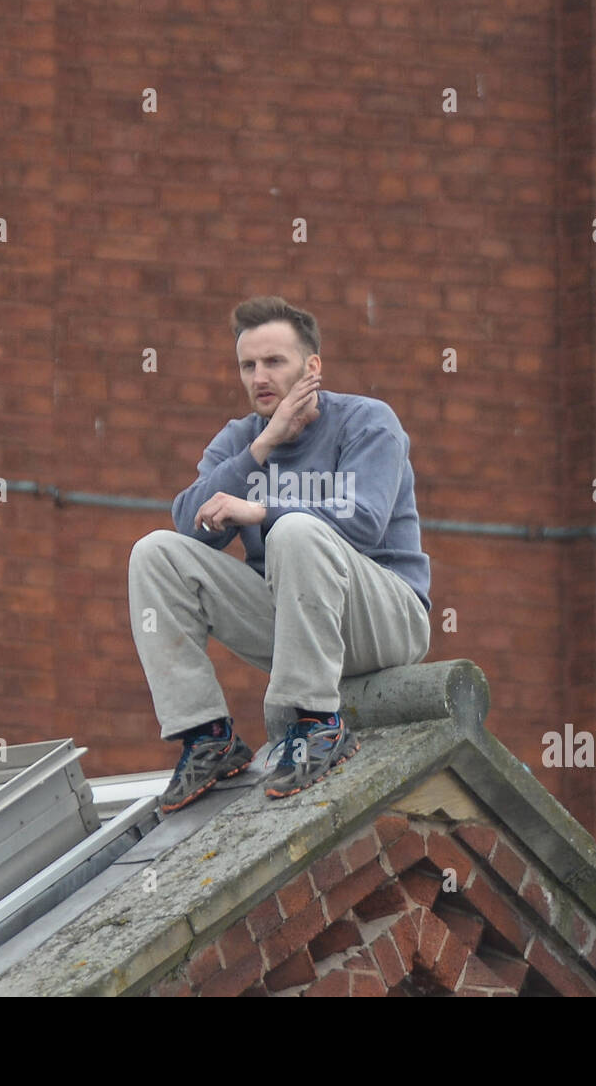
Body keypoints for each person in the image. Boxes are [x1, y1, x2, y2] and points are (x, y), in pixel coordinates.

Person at [128, 295, 432, 813]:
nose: (259, 376)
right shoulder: (243, 438)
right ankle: (208, 738)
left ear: (312, 366)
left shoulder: (367, 421)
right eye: (248, 365)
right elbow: (188, 523)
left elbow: (363, 521)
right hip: (295, 619)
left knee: (293, 530)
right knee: (154, 553)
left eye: (274, 361)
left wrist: (260, 510)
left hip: (385, 619)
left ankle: (315, 722)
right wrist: (262, 446)